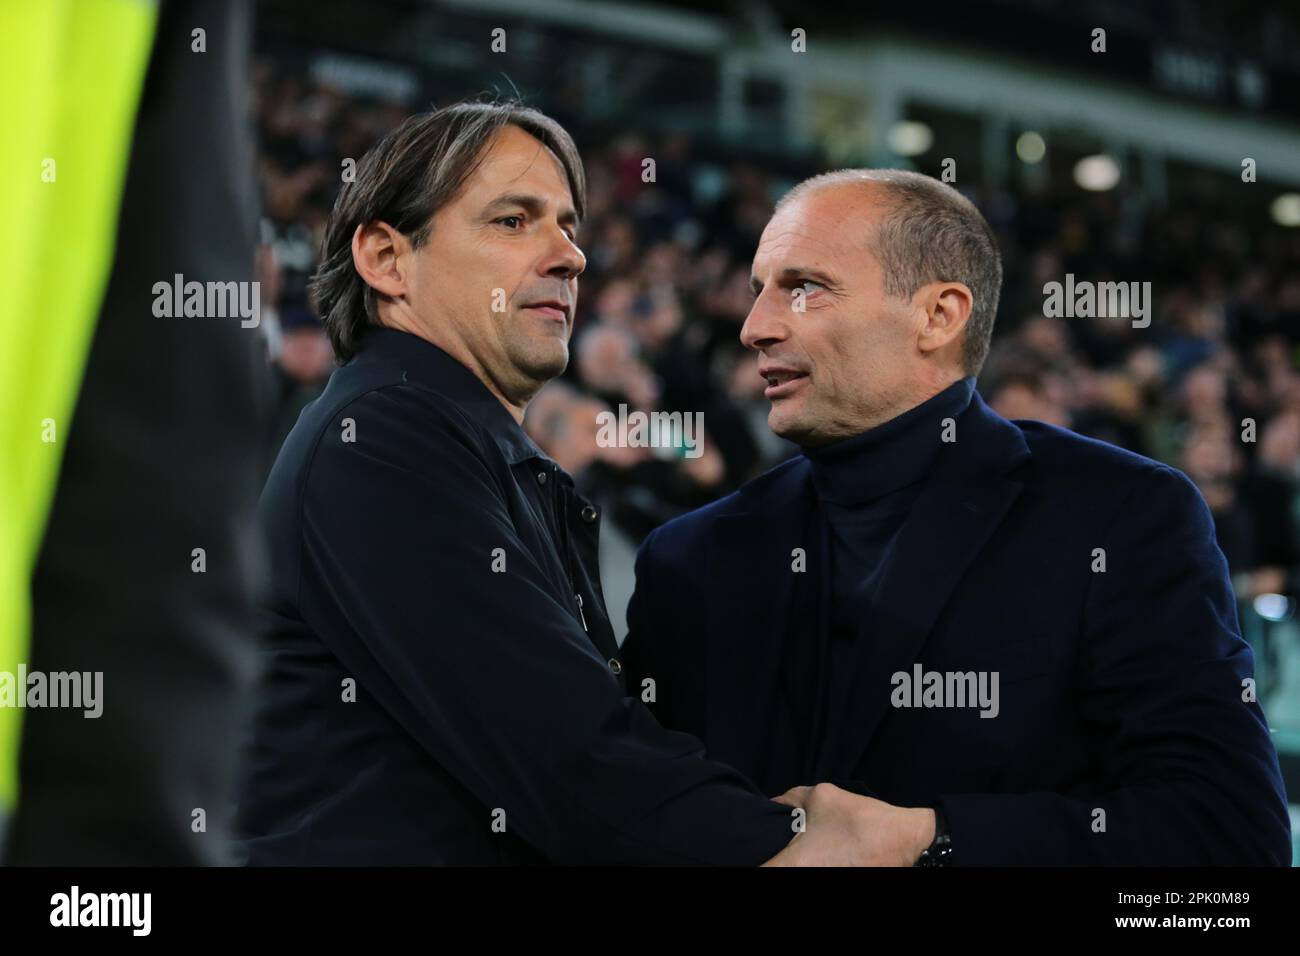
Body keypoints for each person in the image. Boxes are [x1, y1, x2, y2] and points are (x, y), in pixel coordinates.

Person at [235, 100, 905, 865]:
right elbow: (564, 749)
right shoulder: (387, 436)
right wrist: (783, 845)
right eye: (513, 221)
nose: (569, 256)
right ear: (388, 260)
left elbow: (705, 458)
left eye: (568, 226)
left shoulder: (478, 430)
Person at [621, 169, 1292, 866]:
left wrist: (926, 839)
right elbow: (634, 822)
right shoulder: (689, 557)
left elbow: (1231, 841)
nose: (756, 326)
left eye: (805, 288)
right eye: (759, 290)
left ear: (938, 316)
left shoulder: (1117, 517)